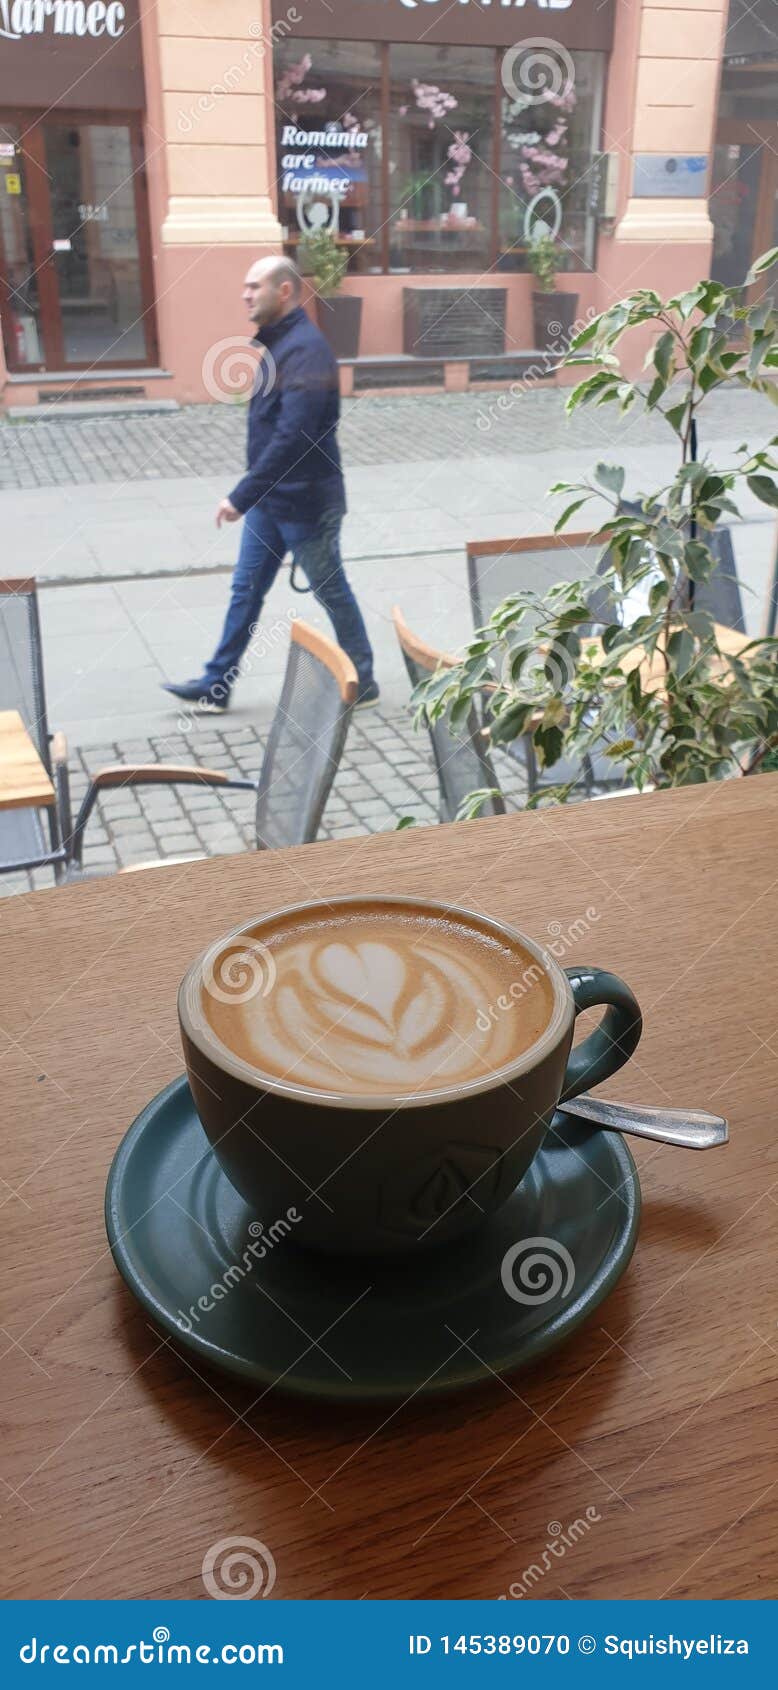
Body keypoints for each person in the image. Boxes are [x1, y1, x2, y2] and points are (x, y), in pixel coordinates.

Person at [162, 255, 378, 713]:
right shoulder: (280, 346)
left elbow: (294, 438)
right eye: (244, 286)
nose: (245, 294)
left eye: (255, 286)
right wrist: (254, 495)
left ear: (283, 291)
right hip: (271, 501)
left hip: (307, 503)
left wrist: (241, 496)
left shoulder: (306, 351)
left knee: (330, 589)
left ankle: (365, 678)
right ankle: (217, 682)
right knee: (246, 589)